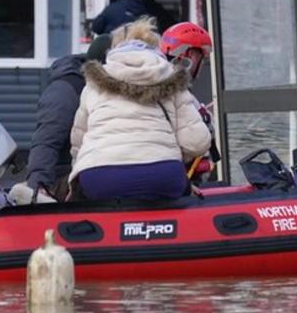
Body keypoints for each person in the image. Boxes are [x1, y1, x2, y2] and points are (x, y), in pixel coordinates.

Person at [69, 17, 212, 200]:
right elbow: (197, 142)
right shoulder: (172, 78)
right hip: (162, 175)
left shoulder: (93, 84)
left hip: (99, 177)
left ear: (113, 48)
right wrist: (170, 151)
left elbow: (78, 143)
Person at [7, 35, 112, 205]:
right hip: (63, 177)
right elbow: (46, 141)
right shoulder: (66, 90)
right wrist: (38, 186)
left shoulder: (102, 89)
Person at [161, 22, 217, 181]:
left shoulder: (155, 82)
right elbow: (196, 143)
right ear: (191, 55)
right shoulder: (179, 92)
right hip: (177, 176)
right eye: (202, 58)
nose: (202, 64)